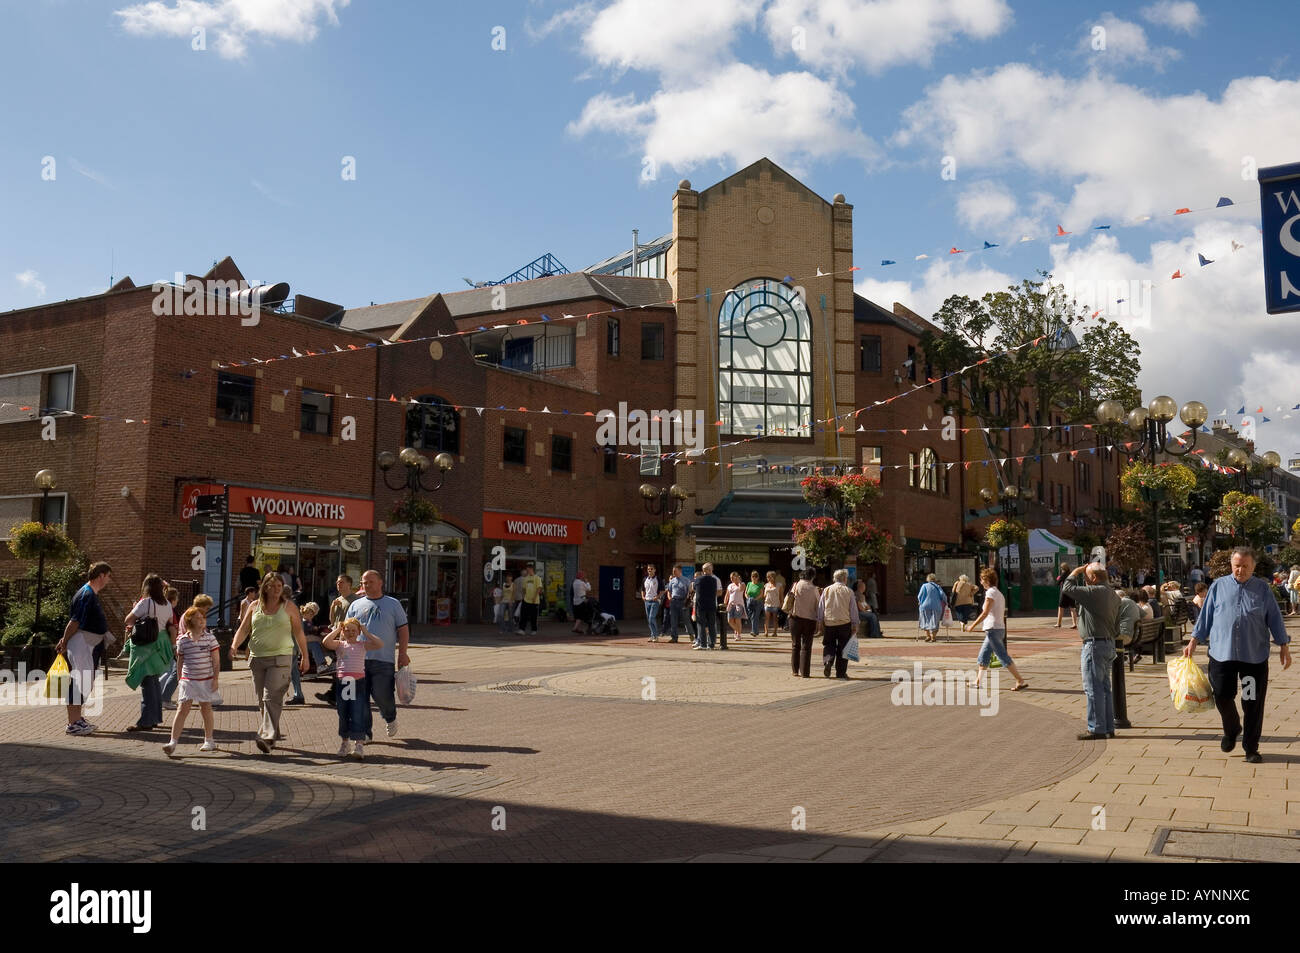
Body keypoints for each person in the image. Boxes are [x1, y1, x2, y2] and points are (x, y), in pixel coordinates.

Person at [1185, 547, 1291, 763]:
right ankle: (1232, 728)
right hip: (1222, 654)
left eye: (1245, 566)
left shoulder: (1262, 589)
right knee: (1222, 695)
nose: (1240, 570)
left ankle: (1251, 747)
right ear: (1231, 565)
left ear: (1253, 566)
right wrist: (1194, 640)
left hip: (1253, 657)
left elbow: (1275, 619)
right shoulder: (1218, 586)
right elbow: (1206, 616)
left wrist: (1284, 645)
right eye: (1236, 566)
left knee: (1251, 700)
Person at [231, 572, 309, 753]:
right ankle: (272, 735)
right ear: (264, 587)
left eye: (279, 586)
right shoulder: (254, 606)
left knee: (270, 698)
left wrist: (304, 656)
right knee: (262, 701)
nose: (275, 590)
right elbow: (244, 629)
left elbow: (299, 633)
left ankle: (265, 737)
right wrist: (234, 646)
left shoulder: (289, 607)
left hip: (281, 659)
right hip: (257, 658)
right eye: (272, 586)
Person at [346, 570, 410, 741]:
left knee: (383, 694)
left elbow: (403, 629)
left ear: (380, 583)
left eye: (370, 582)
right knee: (361, 698)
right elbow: (346, 631)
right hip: (358, 660)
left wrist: (403, 653)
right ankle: (365, 732)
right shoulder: (355, 606)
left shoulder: (393, 604)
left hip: (383, 659)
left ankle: (390, 716)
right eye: (364, 582)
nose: (366, 585)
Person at [1061, 563, 1121, 741]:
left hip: (1094, 645)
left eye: (1086, 577)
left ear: (1094, 578)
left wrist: (1076, 571)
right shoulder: (1113, 594)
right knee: (1104, 688)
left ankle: (1096, 728)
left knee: (1093, 688)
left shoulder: (1095, 592)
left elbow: (1067, 587)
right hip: (1108, 643)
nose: (1084, 581)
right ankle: (1108, 727)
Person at [55, 562, 115, 736]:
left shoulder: (89, 593)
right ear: (101, 575)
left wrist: (65, 640)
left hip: (87, 643)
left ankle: (77, 719)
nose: (109, 580)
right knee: (80, 680)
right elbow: (75, 621)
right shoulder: (86, 594)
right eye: (108, 576)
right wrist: (65, 641)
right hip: (83, 643)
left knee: (85, 680)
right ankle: (73, 723)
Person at [322, 617, 384, 760]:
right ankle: (345, 742)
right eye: (347, 630)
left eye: (353, 631)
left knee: (357, 712)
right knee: (343, 712)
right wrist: (337, 630)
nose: (350, 633)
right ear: (343, 631)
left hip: (358, 683)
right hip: (343, 682)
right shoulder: (340, 644)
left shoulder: (362, 645)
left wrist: (366, 632)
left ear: (358, 632)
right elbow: (326, 642)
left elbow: (379, 644)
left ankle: (359, 744)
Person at [162, 606, 221, 756]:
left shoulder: (210, 638)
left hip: (205, 680)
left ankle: (209, 740)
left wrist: (215, 679)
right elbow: (180, 661)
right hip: (188, 680)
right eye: (198, 618)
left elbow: (216, 661)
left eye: (203, 618)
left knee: (205, 708)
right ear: (189, 620)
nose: (201, 620)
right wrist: (179, 679)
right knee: (182, 709)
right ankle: (172, 742)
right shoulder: (182, 640)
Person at [124, 574, 176, 732]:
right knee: (153, 681)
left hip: (146, 644)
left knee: (147, 682)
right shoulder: (167, 604)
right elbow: (169, 624)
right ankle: (154, 718)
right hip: (160, 642)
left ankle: (146, 721)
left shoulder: (146, 602)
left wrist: (136, 609)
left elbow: (128, 620)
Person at [965, 568, 1028, 691]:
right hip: (997, 629)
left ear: (987, 580)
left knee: (1003, 656)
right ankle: (977, 682)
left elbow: (985, 613)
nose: (981, 582)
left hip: (993, 629)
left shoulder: (990, 593)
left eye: (982, 579)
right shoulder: (998, 593)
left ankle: (1020, 680)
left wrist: (972, 626)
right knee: (983, 656)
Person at [314, 574, 356, 705]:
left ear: (349, 584)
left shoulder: (355, 600)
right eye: (338, 582)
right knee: (338, 667)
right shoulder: (338, 600)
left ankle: (336, 695)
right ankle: (336, 695)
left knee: (343, 667)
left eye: (342, 582)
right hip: (337, 638)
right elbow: (332, 621)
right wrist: (332, 607)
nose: (339, 585)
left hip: (348, 639)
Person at [816, 568, 859, 679]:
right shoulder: (849, 591)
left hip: (829, 622)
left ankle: (828, 662)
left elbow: (821, 607)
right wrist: (855, 624)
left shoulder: (827, 590)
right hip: (844, 623)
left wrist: (820, 621)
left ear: (835, 579)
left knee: (829, 644)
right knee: (843, 648)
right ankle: (841, 672)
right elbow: (853, 609)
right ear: (845, 578)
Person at [286, 602, 322, 706]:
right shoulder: (298, 616)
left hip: (292, 648)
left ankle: (297, 695)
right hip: (293, 648)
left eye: (313, 614)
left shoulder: (291, 612)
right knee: (293, 672)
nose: (311, 616)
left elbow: (300, 635)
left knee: (290, 672)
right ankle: (298, 695)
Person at [789, 570, 820, 676]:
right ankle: (805, 672)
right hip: (809, 620)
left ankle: (794, 671)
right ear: (812, 577)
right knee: (806, 646)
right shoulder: (814, 589)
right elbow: (818, 605)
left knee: (795, 645)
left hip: (794, 618)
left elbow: (789, 599)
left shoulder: (796, 585)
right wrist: (819, 621)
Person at [691, 563, 723, 650]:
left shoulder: (698, 580)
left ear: (703, 570)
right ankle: (711, 644)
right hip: (712, 605)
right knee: (711, 625)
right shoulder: (714, 580)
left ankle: (703, 644)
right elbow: (717, 592)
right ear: (710, 570)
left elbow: (693, 589)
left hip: (701, 606)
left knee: (701, 625)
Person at [916, 572, 947, 643]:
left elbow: (919, 596)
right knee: (935, 621)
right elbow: (942, 594)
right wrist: (946, 601)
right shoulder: (937, 586)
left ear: (928, 579)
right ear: (934, 579)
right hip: (936, 606)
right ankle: (933, 637)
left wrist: (920, 602)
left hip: (925, 606)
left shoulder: (924, 586)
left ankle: (928, 636)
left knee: (925, 620)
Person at [665, 566, 689, 643]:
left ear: (680, 571)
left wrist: (686, 599)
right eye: (673, 571)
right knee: (673, 620)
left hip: (683, 601)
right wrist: (669, 597)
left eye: (675, 571)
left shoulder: (686, 580)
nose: (673, 572)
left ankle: (692, 635)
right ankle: (674, 637)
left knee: (686, 620)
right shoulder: (672, 581)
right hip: (674, 602)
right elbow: (669, 590)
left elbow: (689, 591)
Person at [517, 564, 542, 636]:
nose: (527, 571)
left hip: (534, 600)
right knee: (523, 615)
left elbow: (539, 588)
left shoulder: (537, 578)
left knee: (533, 616)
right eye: (526, 570)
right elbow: (524, 588)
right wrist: (523, 596)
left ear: (531, 569)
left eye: (528, 570)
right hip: (526, 600)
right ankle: (522, 629)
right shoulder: (526, 578)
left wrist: (535, 597)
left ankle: (534, 630)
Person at [724, 572, 746, 645]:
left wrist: (739, 581)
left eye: (734, 577)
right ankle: (737, 630)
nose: (732, 579)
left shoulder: (742, 584)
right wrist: (725, 603)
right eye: (731, 578)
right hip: (731, 604)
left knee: (737, 619)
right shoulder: (730, 585)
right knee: (730, 620)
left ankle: (738, 634)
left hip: (739, 604)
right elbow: (727, 595)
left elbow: (741, 589)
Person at [643, 565, 664, 642]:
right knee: (649, 619)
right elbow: (642, 589)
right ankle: (652, 635)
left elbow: (662, 590)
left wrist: (657, 597)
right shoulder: (645, 579)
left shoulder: (658, 579)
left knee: (652, 617)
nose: (650, 570)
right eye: (648, 569)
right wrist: (643, 596)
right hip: (647, 601)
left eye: (651, 569)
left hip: (655, 601)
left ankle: (656, 636)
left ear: (655, 570)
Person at [1054, 564, 1078, 629]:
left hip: (1064, 593)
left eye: (1061, 569)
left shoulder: (1063, 574)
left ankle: (1058, 623)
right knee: (1072, 608)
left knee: (1061, 608)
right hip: (1071, 592)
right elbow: (1075, 583)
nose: (1061, 570)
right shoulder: (1072, 574)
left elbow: (1057, 583)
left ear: (1063, 569)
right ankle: (1074, 624)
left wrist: (1058, 578)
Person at [762, 571, 781, 636]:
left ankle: (775, 632)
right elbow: (764, 595)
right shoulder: (766, 585)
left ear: (773, 577)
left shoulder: (779, 585)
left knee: (775, 619)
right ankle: (766, 632)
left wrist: (782, 603)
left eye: (770, 577)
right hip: (767, 603)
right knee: (766, 618)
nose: (768, 578)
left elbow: (781, 595)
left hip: (775, 604)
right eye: (767, 577)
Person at [745, 570, 764, 637]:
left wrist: (755, 599)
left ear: (758, 577)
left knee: (755, 616)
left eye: (755, 576)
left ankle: (754, 631)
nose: (754, 578)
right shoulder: (749, 583)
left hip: (758, 601)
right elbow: (746, 593)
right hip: (749, 601)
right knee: (751, 616)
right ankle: (756, 631)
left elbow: (762, 594)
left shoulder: (760, 584)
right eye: (752, 576)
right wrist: (748, 598)